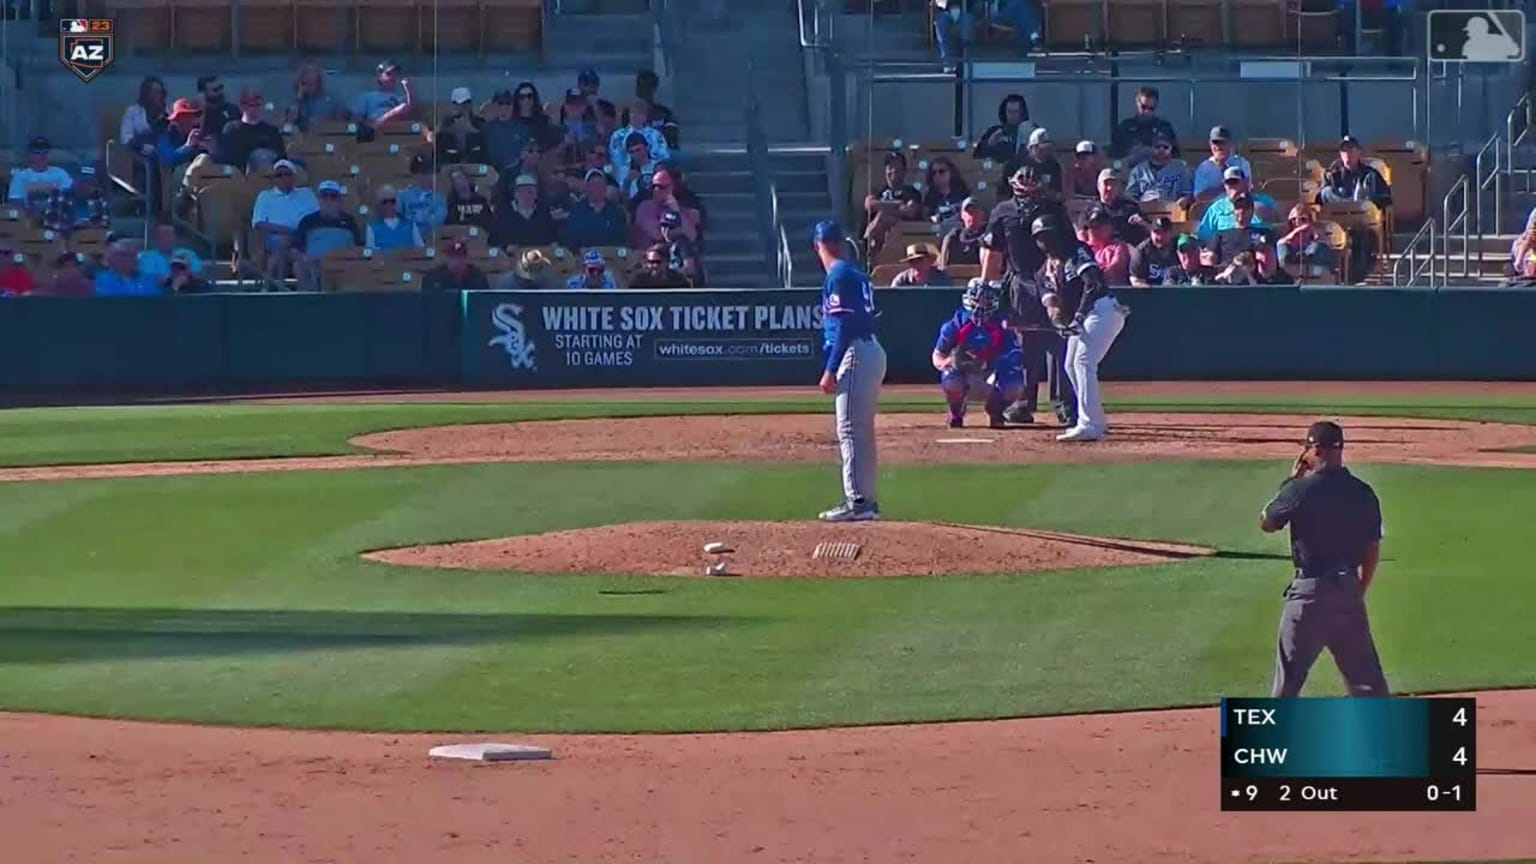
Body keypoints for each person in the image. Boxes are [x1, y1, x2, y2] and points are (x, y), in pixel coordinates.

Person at [1259, 421, 1389, 698]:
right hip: (1348, 590)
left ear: (1314, 449)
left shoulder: (1301, 490)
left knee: (1287, 686)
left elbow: (1267, 522)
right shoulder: (1363, 492)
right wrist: (1358, 590)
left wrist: (1293, 481)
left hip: (1309, 596)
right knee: (1368, 686)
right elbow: (1372, 548)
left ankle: (1269, 741)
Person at [980, 163, 1074, 427]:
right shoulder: (1003, 211)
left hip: (1051, 278)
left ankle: (1063, 404)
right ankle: (1022, 402)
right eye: (1022, 177)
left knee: (1058, 341)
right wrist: (985, 284)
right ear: (1012, 181)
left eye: (1032, 176)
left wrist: (1060, 272)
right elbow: (992, 251)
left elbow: (1069, 243)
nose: (1028, 181)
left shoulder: (1053, 209)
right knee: (1025, 344)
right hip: (1019, 281)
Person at [1031, 212, 1128, 442]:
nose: (1044, 242)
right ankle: (1095, 420)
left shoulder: (1077, 251)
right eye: (1039, 237)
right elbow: (1052, 302)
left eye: (1047, 235)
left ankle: (1089, 424)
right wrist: (1058, 323)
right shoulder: (1042, 271)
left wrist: (1078, 316)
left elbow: (1093, 284)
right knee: (1070, 364)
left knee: (1083, 362)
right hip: (1084, 317)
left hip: (1102, 310)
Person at [813, 219, 886, 523]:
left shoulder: (839, 275)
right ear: (842, 242)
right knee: (861, 431)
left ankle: (858, 501)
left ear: (817, 246)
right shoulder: (854, 273)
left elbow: (844, 325)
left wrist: (830, 369)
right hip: (871, 350)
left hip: (855, 351)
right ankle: (865, 499)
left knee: (850, 430)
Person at [932, 280, 1025, 429]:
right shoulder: (955, 324)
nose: (980, 307)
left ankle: (995, 411)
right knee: (951, 378)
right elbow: (937, 356)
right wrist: (950, 362)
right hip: (964, 374)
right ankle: (956, 411)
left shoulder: (1002, 325)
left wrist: (987, 362)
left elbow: (1014, 356)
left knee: (1014, 383)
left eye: (985, 302)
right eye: (977, 301)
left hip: (991, 373)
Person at [972, 93, 1036, 167]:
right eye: (1009, 111)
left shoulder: (1033, 132)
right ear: (1004, 112)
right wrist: (990, 143)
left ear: (1022, 113)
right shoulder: (993, 131)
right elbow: (977, 156)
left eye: (1016, 111)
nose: (1012, 115)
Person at [1129, 216, 1179, 287]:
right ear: (1151, 233)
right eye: (1157, 232)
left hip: (1176, 293)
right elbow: (1136, 280)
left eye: (1164, 232)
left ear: (1171, 233)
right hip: (1150, 294)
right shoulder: (1142, 251)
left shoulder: (1179, 247)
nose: (1160, 237)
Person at [423, 241, 491, 292]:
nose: (457, 260)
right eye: (453, 257)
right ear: (448, 258)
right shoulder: (434, 276)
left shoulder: (477, 276)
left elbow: (485, 299)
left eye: (460, 256)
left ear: (465, 258)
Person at [939, 196, 987, 267]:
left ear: (982, 214)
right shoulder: (953, 237)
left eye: (975, 211)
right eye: (968, 212)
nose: (971, 216)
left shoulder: (989, 235)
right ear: (962, 215)